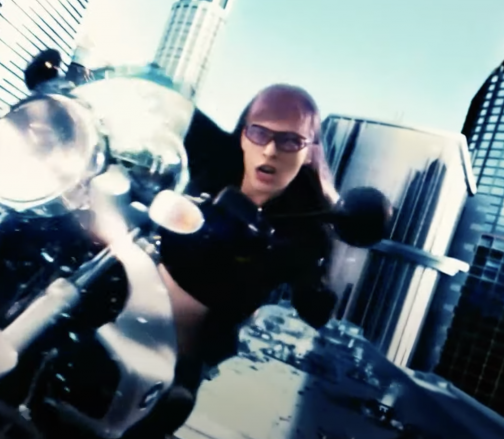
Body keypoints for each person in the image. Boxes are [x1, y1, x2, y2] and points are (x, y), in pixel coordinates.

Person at [122, 84, 341, 439]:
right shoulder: (217, 154)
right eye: (260, 133)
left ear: (309, 151)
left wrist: (313, 290)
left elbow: (315, 303)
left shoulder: (309, 224)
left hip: (180, 352)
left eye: (290, 141)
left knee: (166, 407)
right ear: (243, 135)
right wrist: (81, 83)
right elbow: (157, 102)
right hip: (126, 287)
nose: (270, 150)